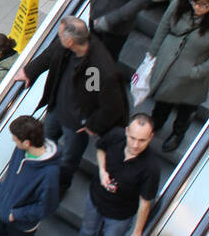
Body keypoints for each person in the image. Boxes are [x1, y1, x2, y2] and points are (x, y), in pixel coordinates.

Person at [14, 17, 128, 195]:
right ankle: (39, 176)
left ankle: (60, 186)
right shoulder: (68, 48)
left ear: (70, 41)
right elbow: (51, 53)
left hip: (76, 124)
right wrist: (30, 71)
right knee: (43, 141)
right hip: (56, 108)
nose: (58, 38)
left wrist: (92, 124)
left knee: (68, 159)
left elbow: (110, 105)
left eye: (60, 35)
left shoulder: (97, 68)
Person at [58, 115, 158, 236]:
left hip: (120, 213)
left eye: (142, 140)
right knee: (87, 232)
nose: (135, 145)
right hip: (97, 198)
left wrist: (137, 234)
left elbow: (145, 202)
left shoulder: (150, 168)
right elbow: (101, 150)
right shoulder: (115, 136)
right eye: (133, 138)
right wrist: (102, 171)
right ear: (127, 131)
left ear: (150, 138)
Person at [147, 0, 209, 153]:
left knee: (186, 108)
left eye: (204, 5)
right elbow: (163, 26)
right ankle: (156, 124)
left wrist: (197, 71)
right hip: (167, 65)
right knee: (162, 101)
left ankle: (178, 133)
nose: (197, 8)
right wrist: (153, 54)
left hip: (193, 76)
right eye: (195, 3)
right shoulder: (180, 2)